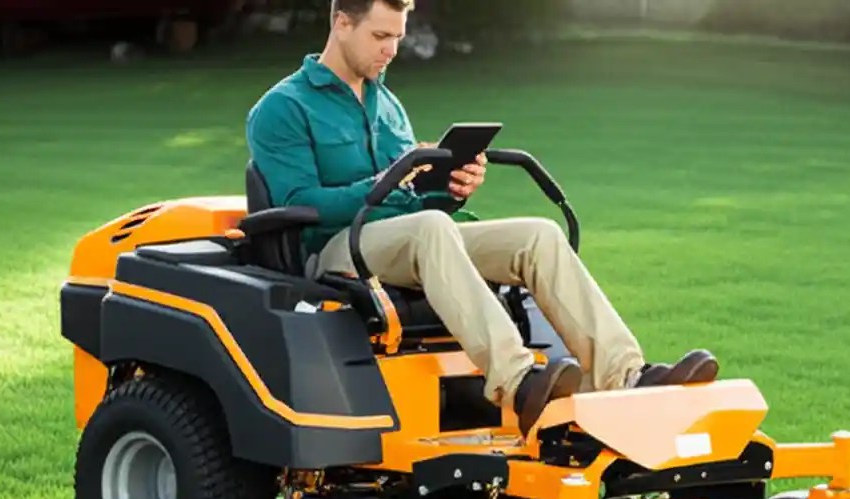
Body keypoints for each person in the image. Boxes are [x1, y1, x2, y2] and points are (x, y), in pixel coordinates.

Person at [246, 0, 718, 435]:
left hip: (412, 237)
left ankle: (625, 375)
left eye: (398, 37)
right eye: (380, 36)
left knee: (538, 234)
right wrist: (385, 182)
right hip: (336, 248)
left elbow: (417, 205)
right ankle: (519, 383)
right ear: (341, 22)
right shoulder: (282, 108)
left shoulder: (386, 104)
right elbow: (299, 202)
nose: (391, 50)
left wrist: (450, 188)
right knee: (432, 229)